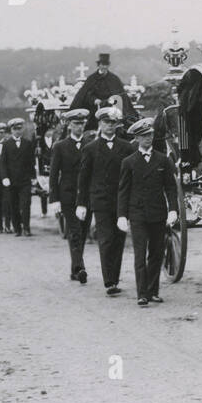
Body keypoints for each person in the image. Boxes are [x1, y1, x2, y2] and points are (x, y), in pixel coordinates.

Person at [117, 118, 180, 306]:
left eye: (150, 135)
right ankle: (142, 293)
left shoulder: (162, 160)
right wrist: (121, 215)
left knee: (156, 253)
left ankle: (153, 291)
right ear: (136, 138)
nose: (148, 138)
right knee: (139, 253)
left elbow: (170, 187)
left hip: (158, 212)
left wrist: (173, 210)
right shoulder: (128, 162)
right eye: (144, 136)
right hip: (137, 214)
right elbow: (123, 190)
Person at [78, 107, 129, 296]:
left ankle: (114, 277)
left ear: (117, 125)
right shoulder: (90, 149)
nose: (109, 126)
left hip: (121, 201)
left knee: (119, 240)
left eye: (113, 123)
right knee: (106, 239)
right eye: (106, 122)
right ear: (99, 124)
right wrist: (81, 203)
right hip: (100, 201)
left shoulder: (126, 147)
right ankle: (109, 281)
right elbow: (83, 179)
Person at [49, 109, 92, 283]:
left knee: (83, 231)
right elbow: (53, 174)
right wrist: (54, 199)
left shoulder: (90, 145)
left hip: (86, 196)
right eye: (76, 123)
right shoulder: (60, 146)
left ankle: (74, 269)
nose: (79, 127)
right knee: (74, 232)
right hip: (67, 195)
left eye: (82, 124)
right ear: (69, 125)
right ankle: (79, 268)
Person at [68, 53, 138, 129]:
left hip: (112, 107)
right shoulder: (92, 78)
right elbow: (85, 94)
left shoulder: (114, 79)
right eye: (102, 64)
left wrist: (114, 100)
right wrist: (94, 100)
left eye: (106, 65)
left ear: (108, 66)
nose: (104, 67)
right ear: (99, 65)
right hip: (95, 107)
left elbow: (121, 95)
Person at [3, 117, 36, 236]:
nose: (17, 131)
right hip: (11, 180)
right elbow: (3, 163)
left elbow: (31, 161)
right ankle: (17, 228)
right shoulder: (6, 145)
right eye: (15, 129)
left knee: (26, 204)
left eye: (19, 129)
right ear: (11, 130)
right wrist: (5, 177)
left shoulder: (27, 144)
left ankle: (26, 228)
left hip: (25, 179)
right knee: (14, 205)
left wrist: (33, 176)